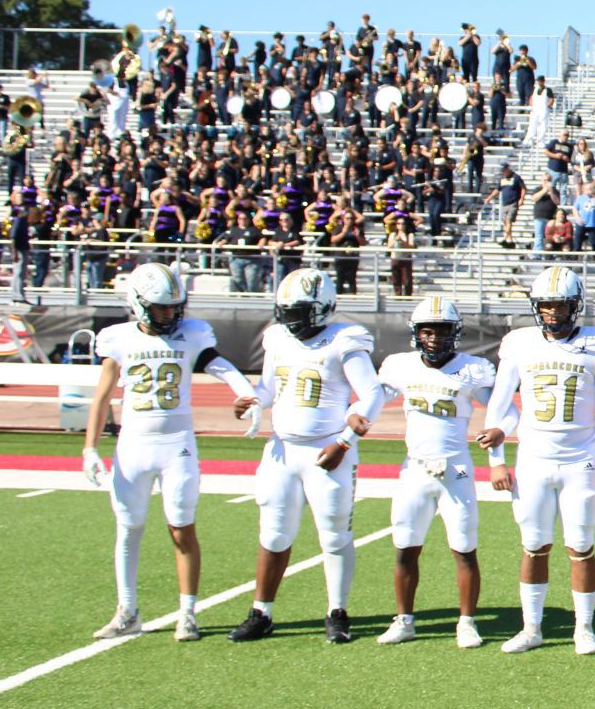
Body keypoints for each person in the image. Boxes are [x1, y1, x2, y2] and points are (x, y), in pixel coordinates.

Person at [82, 264, 258, 641]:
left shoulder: (191, 335)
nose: (170, 314)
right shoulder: (118, 339)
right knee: (128, 530)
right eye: (161, 307)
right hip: (132, 445)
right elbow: (101, 398)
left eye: (174, 307)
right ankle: (127, 610)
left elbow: (221, 366)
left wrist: (245, 392)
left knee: (182, 529)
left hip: (176, 445)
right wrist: (89, 448)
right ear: (139, 304)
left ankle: (187, 612)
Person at [478, 266, 595, 655]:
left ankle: (584, 627)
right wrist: (496, 458)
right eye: (546, 306)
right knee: (533, 544)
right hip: (532, 458)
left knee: (581, 545)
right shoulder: (519, 343)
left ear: (575, 307)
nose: (553, 313)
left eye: (560, 306)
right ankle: (532, 627)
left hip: (580, 460)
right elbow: (499, 404)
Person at [228, 269, 386, 644]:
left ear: (322, 307)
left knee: (334, 535)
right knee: (273, 533)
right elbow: (270, 387)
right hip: (282, 448)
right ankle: (261, 611)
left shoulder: (343, 340)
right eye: (286, 311)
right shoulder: (277, 338)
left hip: (327, 450)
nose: (290, 320)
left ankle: (337, 611)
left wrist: (345, 441)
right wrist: (253, 401)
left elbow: (372, 395)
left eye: (298, 311)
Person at [373, 298, 494, 648]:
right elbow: (374, 398)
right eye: (427, 331)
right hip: (414, 468)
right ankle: (404, 619)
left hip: (455, 469)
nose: (435, 339)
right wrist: (353, 421)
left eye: (442, 331)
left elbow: (499, 407)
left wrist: (499, 432)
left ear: (454, 334)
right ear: (416, 334)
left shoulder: (472, 369)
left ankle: (467, 622)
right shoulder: (401, 366)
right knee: (405, 546)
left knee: (464, 547)